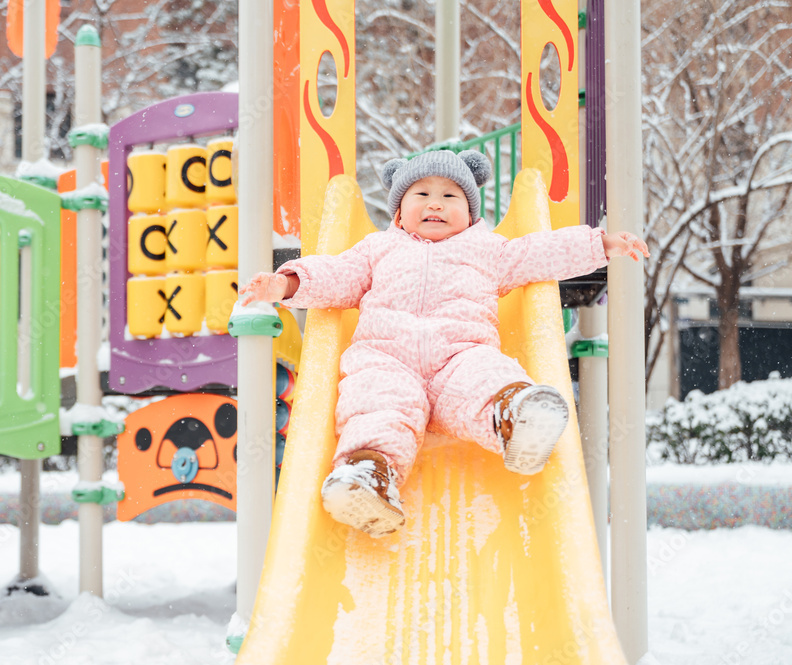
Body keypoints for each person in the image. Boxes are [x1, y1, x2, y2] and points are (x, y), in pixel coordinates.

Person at [239, 149, 649, 538]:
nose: (435, 204)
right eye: (422, 194)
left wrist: (598, 245)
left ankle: (515, 418)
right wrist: (286, 283)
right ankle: (369, 477)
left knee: (488, 374)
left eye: (449, 196)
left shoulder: (488, 249)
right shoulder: (377, 249)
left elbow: (538, 252)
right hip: (386, 358)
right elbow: (336, 275)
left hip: (460, 355)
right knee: (376, 406)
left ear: (470, 212)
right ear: (399, 212)